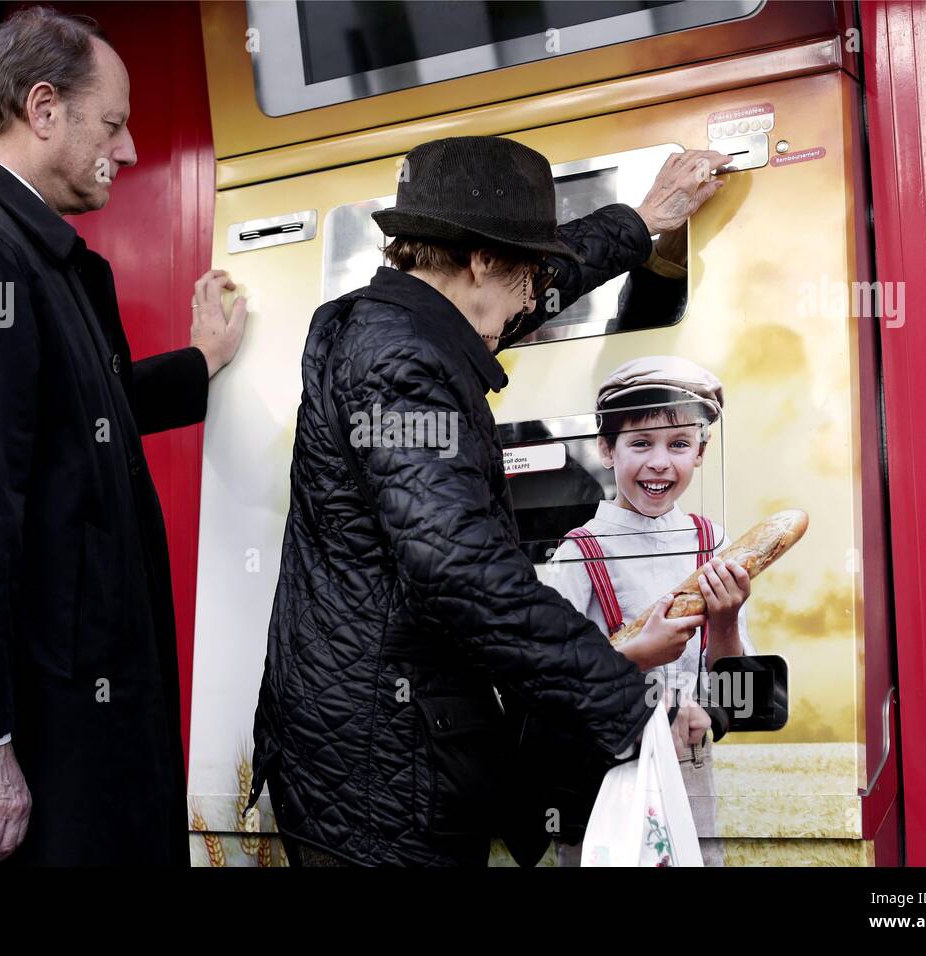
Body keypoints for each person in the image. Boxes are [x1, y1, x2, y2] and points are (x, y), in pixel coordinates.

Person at [248, 135, 731, 866]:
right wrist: (621, 700)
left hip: (360, 749)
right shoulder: (401, 362)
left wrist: (639, 221)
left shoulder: (390, 322)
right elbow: (458, 570)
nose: (536, 298)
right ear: (480, 260)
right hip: (383, 780)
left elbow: (523, 293)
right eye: (530, 273)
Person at [0, 6, 247, 866]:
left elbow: (73, 415)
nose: (131, 148)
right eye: (114, 122)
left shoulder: (1, 242)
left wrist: (199, 361)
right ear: (42, 108)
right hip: (33, 753)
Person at [547, 355, 755, 866]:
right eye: (640, 444)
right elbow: (551, 679)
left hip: (689, 766)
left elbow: (737, 692)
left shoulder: (714, 543)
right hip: (607, 770)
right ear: (606, 449)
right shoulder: (581, 551)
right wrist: (634, 657)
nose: (660, 462)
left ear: (701, 453)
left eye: (679, 444)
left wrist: (724, 622)